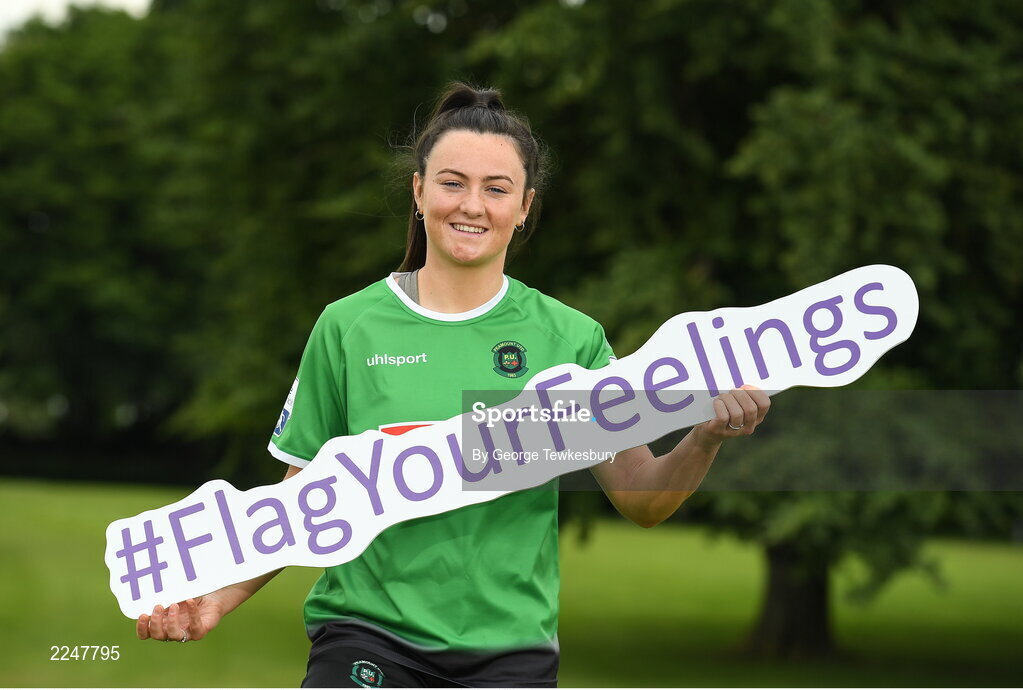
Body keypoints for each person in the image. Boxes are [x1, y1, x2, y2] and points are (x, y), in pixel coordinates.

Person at [135, 82, 771, 688]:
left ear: (523, 208)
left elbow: (643, 499)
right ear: (419, 191)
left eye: (497, 189)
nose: (472, 205)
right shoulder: (349, 326)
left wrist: (706, 438)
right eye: (452, 183)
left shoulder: (569, 342)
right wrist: (215, 597)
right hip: (366, 636)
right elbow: (301, 503)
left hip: (511, 655)